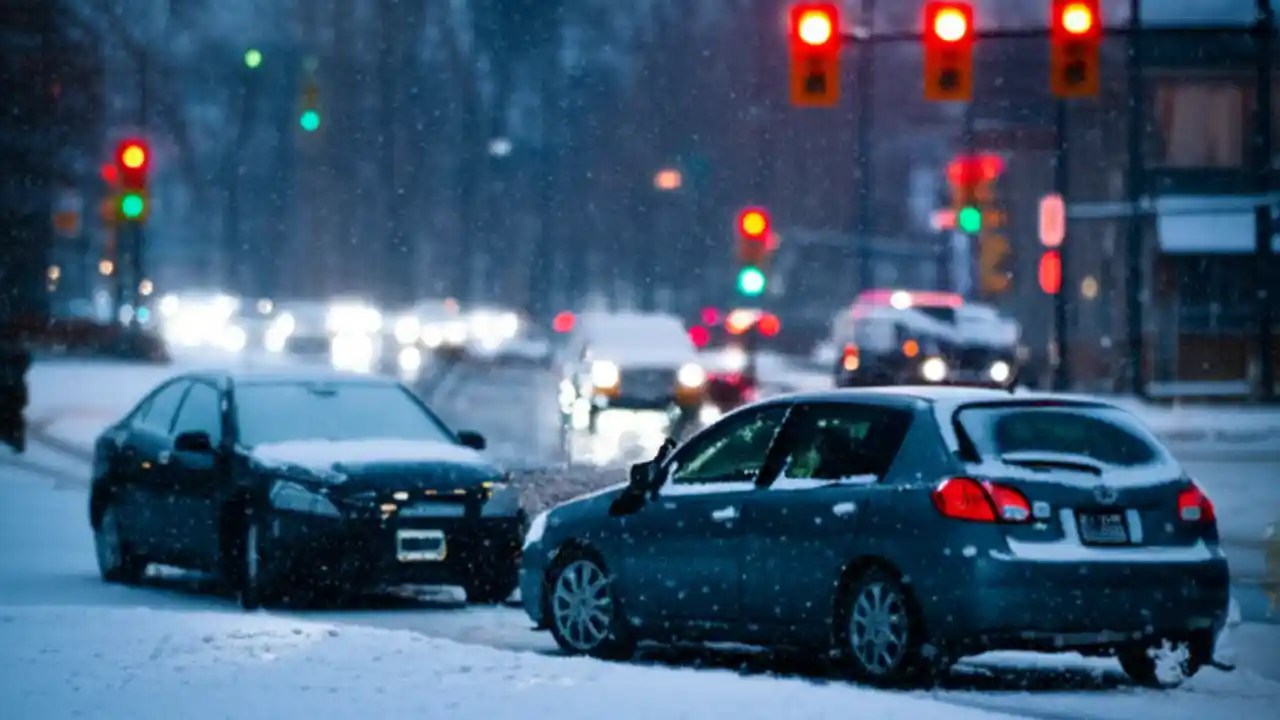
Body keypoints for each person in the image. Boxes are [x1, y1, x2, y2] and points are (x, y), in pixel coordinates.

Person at [0, 337, 30, 453]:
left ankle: (13, 441)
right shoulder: (17, 356)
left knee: (11, 416)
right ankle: (14, 441)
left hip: (10, 391)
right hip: (14, 390)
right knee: (13, 416)